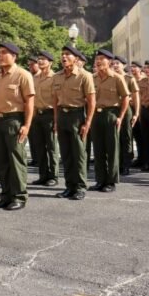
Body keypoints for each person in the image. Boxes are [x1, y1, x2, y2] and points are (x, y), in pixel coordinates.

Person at [0, 42, 35, 211]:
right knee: (1, 161)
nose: (0, 56)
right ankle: (6, 195)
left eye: (4, 53)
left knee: (16, 160)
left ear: (14, 56)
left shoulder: (22, 75)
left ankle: (19, 196)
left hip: (14, 120)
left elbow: (29, 101)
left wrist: (27, 125)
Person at [52, 45, 96, 201]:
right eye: (62, 54)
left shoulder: (85, 76)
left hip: (77, 116)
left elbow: (91, 102)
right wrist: (56, 120)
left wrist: (88, 122)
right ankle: (69, 186)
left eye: (68, 55)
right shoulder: (56, 76)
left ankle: (80, 187)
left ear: (76, 59)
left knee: (79, 154)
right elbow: (55, 101)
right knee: (66, 154)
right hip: (62, 116)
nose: (64, 57)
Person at [90, 49, 129, 192]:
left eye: (102, 58)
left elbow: (125, 97)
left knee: (111, 149)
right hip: (95, 115)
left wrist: (120, 117)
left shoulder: (117, 78)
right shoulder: (92, 78)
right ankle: (100, 180)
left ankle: (111, 182)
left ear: (110, 62)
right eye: (97, 59)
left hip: (111, 114)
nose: (98, 61)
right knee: (98, 149)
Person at [30, 50, 59, 186]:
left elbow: (56, 100)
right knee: (39, 147)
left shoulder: (55, 78)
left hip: (50, 114)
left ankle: (53, 176)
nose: (40, 61)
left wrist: (56, 120)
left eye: (44, 59)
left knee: (52, 147)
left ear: (50, 63)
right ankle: (43, 175)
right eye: (39, 59)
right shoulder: (34, 78)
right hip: (37, 115)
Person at [112, 55, 139, 176]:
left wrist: (136, 113)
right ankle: (117, 164)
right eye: (114, 63)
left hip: (126, 109)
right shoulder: (110, 77)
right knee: (114, 137)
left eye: (118, 63)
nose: (115, 65)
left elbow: (135, 97)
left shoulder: (129, 79)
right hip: (113, 109)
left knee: (126, 137)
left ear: (123, 65)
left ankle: (126, 165)